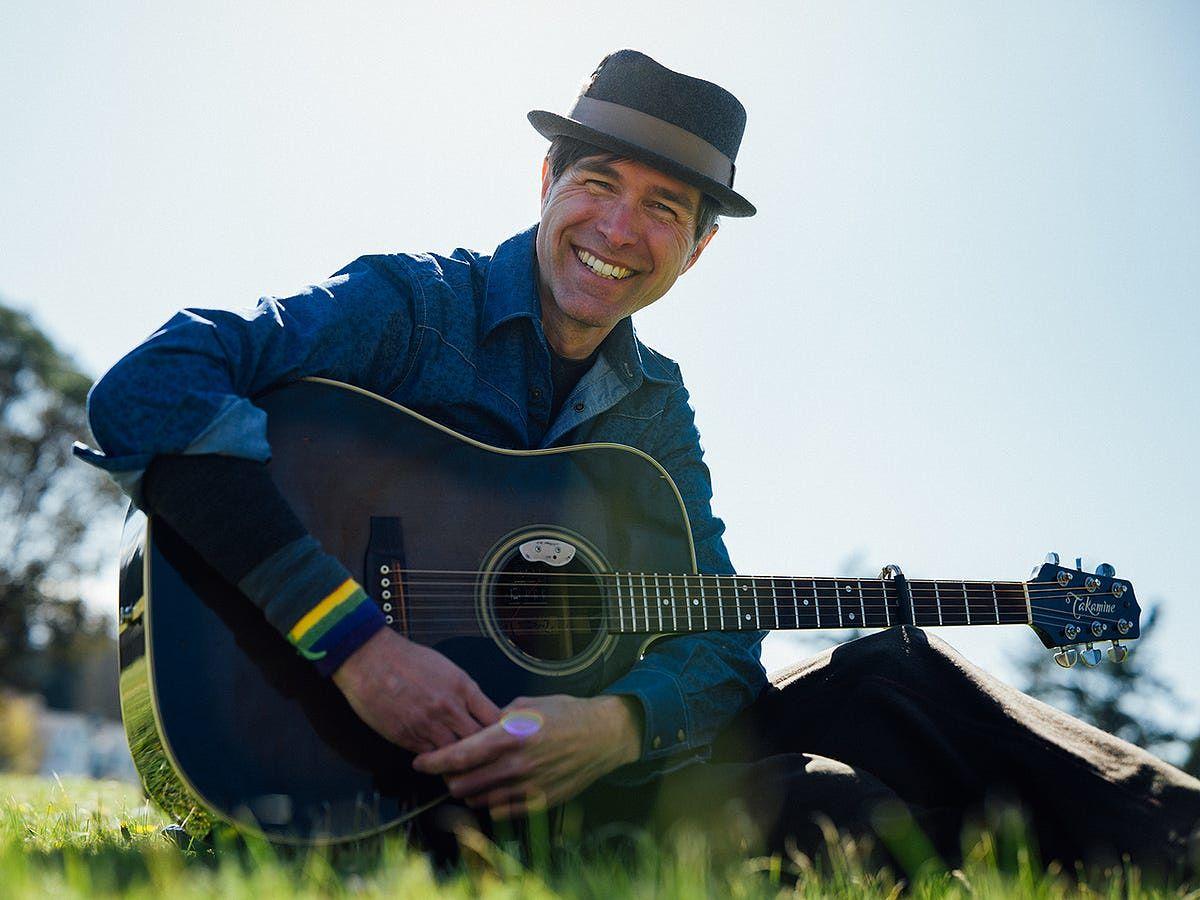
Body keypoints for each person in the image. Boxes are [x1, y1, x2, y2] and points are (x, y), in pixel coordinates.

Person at [76, 50, 1199, 876]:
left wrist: (616, 724)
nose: (621, 228)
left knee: (891, 693)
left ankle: (1176, 835)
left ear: (700, 246)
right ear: (548, 179)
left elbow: (715, 632)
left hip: (567, 778)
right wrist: (354, 642)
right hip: (362, 775)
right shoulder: (416, 309)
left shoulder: (654, 413)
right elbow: (151, 386)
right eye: (600, 183)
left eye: (666, 208)